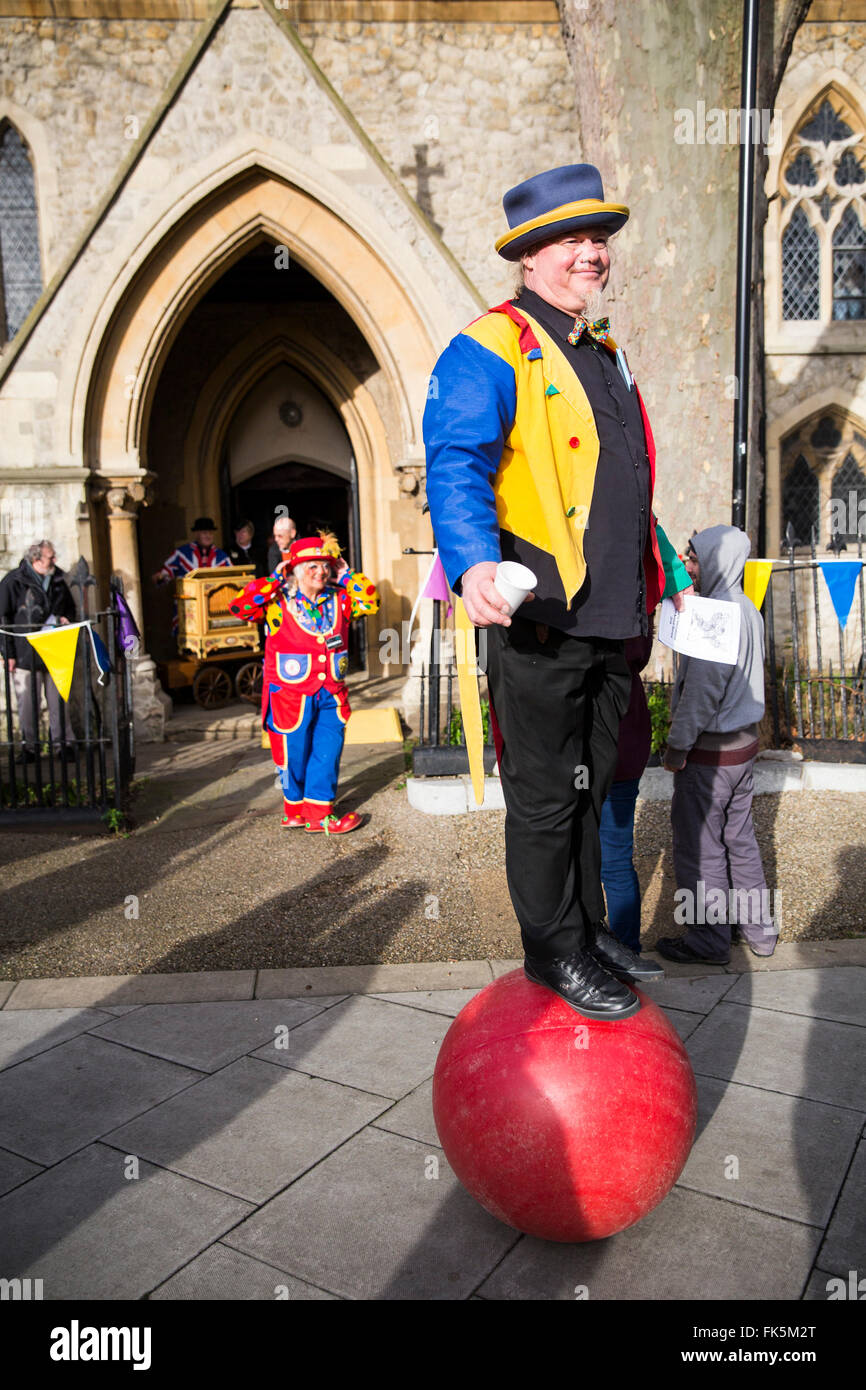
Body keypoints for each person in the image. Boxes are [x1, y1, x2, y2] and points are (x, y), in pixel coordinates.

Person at [424, 163, 692, 1021]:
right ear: (531, 254)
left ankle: (585, 933)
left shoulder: (604, 352)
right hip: (542, 617)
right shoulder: (490, 343)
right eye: (573, 239)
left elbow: (627, 488)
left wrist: (666, 583)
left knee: (588, 787)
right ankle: (551, 955)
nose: (592, 253)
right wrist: (470, 563)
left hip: (612, 619)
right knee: (545, 797)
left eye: (599, 239)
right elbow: (455, 460)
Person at [657, 525, 778, 965]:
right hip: (743, 750)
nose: (688, 565)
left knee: (702, 847)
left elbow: (701, 696)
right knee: (740, 841)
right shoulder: (747, 608)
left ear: (715, 561)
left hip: (711, 754)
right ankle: (760, 933)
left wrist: (676, 746)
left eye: (693, 557)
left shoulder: (713, 617)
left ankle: (707, 940)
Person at [229, 533, 379, 834]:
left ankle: (319, 814)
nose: (320, 572)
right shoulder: (277, 601)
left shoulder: (341, 597)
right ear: (295, 570)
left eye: (324, 566)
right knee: (292, 753)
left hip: (331, 693)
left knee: (328, 748)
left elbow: (371, 601)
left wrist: (345, 573)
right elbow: (241, 606)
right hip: (288, 692)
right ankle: (294, 809)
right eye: (312, 566)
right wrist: (275, 577)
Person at [599, 632, 659, 964]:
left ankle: (600, 950)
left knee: (594, 861)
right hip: (628, 753)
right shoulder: (635, 627)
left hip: (597, 757)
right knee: (618, 861)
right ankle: (627, 952)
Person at [0, 540, 77, 761]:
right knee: (27, 703)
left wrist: (66, 618)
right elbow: (3, 618)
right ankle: (30, 747)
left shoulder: (59, 579)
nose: (54, 560)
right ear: (36, 559)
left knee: (58, 699)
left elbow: (70, 609)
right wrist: (8, 653)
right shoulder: (13, 581)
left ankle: (62, 745)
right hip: (26, 651)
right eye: (50, 557)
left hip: (54, 648)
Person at [152, 517, 231, 585]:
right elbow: (165, 574)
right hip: (188, 599)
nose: (208, 536)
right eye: (204, 533)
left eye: (210, 533)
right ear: (196, 534)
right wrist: (161, 576)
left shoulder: (222, 556)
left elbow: (233, 575)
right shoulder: (182, 553)